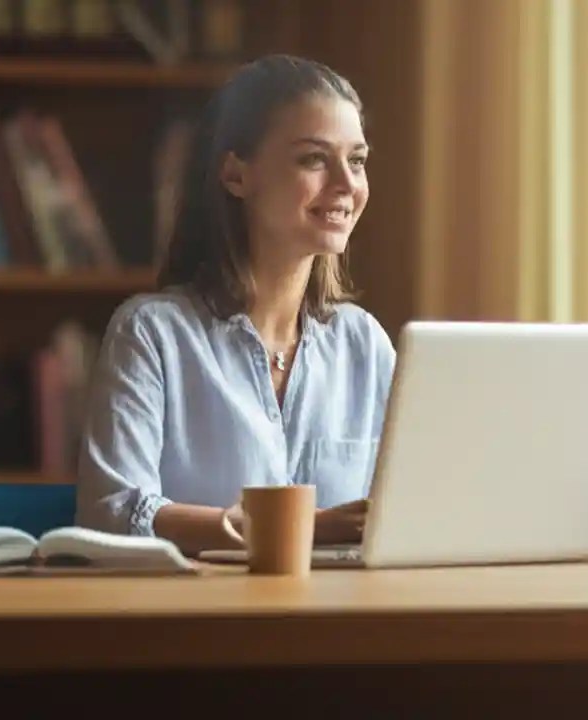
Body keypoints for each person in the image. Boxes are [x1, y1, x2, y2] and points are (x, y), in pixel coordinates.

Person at [75, 55, 393, 556]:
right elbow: (110, 512)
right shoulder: (152, 334)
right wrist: (302, 528)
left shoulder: (365, 344)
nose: (347, 184)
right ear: (235, 175)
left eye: (356, 160)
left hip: (344, 627)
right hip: (198, 626)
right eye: (314, 158)